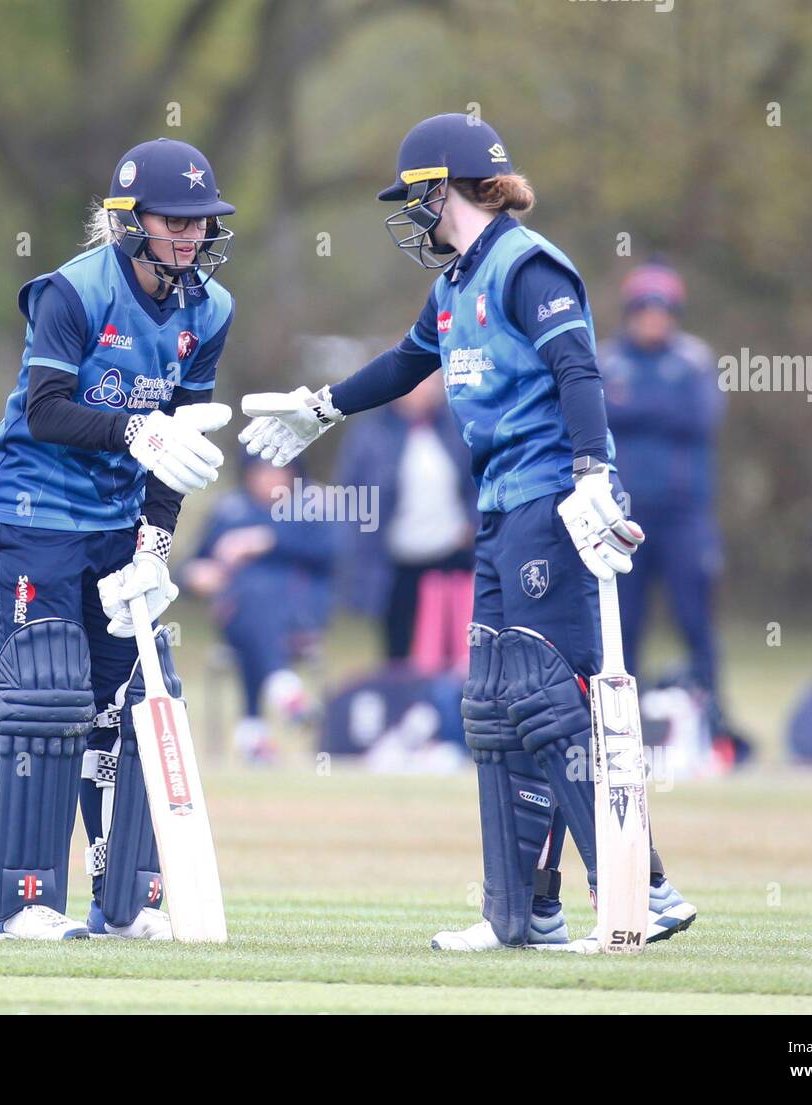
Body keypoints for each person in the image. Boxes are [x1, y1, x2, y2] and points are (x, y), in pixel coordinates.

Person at [236, 113, 696, 950]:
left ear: (444, 187)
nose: (410, 212)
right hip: (500, 506)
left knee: (550, 701)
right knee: (494, 707)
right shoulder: (456, 284)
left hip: (553, 502)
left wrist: (593, 471)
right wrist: (319, 407)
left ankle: (643, 889)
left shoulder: (528, 265)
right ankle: (523, 912)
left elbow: (578, 369)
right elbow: (408, 363)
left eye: (415, 195)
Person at [0, 137, 236, 941]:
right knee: (46, 697)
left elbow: (181, 444)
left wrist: (156, 542)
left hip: (119, 525)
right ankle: (25, 898)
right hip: (35, 513)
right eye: (175, 220)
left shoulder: (211, 311)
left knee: (116, 711)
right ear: (131, 221)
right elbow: (48, 408)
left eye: (202, 220)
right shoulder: (72, 292)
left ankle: (123, 900)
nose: (191, 236)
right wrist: (136, 432)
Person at [601, 263, 725, 697]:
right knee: (623, 624)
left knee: (695, 619)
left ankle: (713, 720)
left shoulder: (693, 360)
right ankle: (622, 722)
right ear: (630, 312)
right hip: (623, 513)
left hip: (683, 512)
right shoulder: (608, 360)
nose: (654, 319)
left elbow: (700, 418)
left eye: (663, 310)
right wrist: (658, 409)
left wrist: (632, 408)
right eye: (645, 310)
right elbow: (597, 419)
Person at [182, 458, 335, 761]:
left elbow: (330, 552)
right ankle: (284, 693)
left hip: (298, 616)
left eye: (279, 471)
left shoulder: (311, 505)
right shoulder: (229, 510)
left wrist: (265, 541)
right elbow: (189, 566)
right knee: (250, 599)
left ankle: (253, 730)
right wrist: (196, 575)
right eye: (262, 472)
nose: (270, 479)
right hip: (236, 615)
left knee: (258, 597)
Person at [333, 373, 478, 664]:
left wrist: (473, 526)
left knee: (455, 656)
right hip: (395, 565)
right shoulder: (370, 433)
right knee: (401, 657)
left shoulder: (456, 427)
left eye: (432, 382)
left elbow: (477, 482)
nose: (425, 389)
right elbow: (353, 498)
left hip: (452, 560)